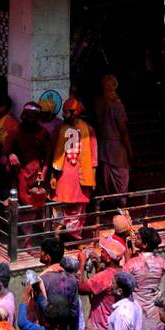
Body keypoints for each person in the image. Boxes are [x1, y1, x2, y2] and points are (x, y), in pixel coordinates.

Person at [51, 97, 97, 233]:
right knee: (59, 206)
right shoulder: (60, 129)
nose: (63, 115)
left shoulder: (88, 130)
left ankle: (74, 237)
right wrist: (53, 176)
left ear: (75, 112)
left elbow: (93, 157)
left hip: (80, 178)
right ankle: (57, 236)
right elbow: (55, 154)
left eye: (66, 112)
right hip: (63, 177)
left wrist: (92, 178)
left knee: (78, 208)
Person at [95, 77, 132, 198]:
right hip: (116, 148)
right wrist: (130, 150)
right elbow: (123, 131)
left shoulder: (99, 102)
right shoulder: (117, 105)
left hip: (103, 146)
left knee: (106, 180)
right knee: (121, 180)